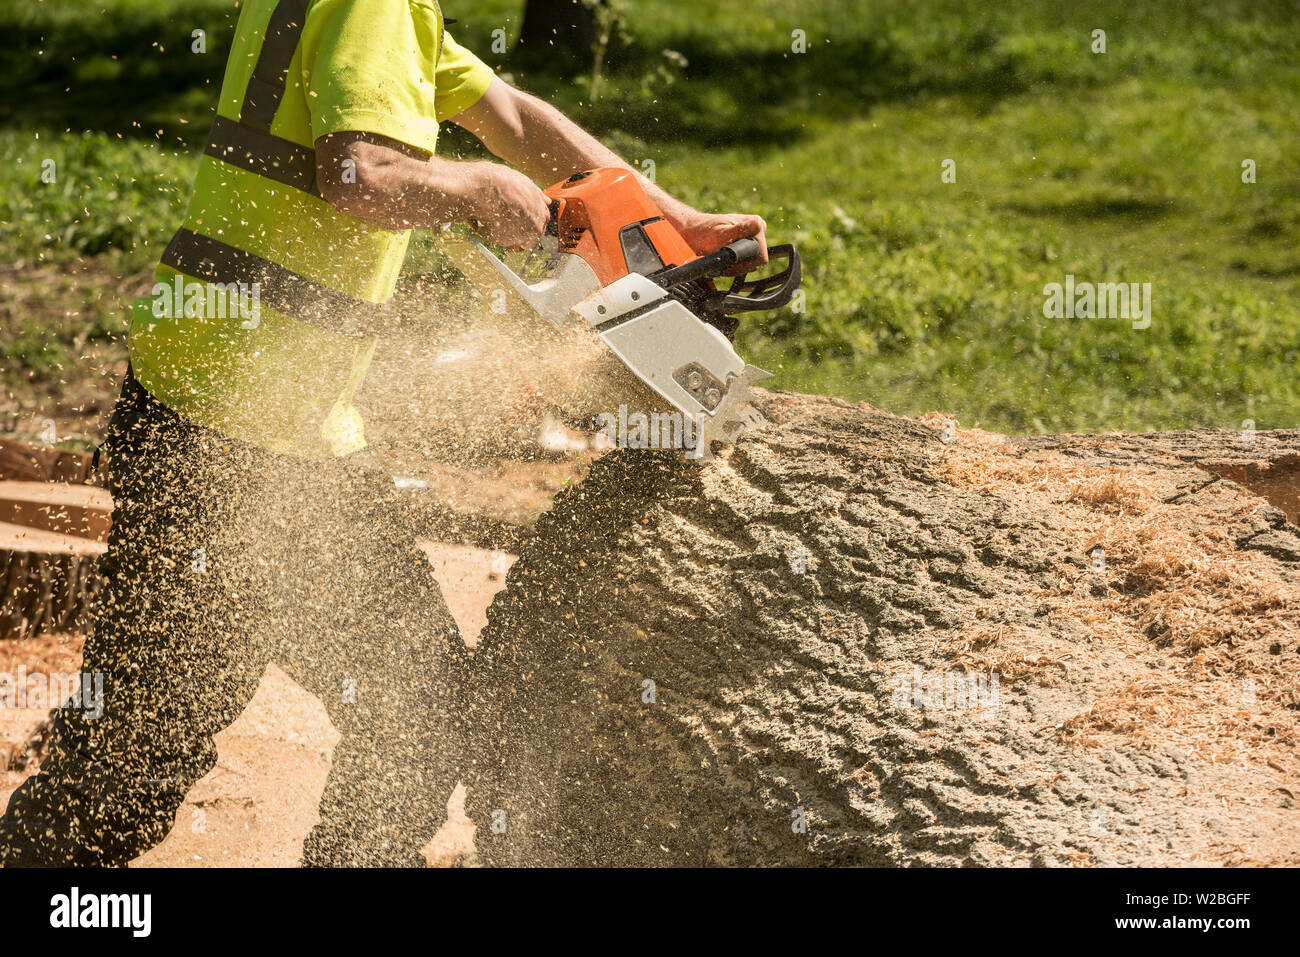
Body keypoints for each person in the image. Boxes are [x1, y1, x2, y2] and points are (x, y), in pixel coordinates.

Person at [0, 0, 766, 866]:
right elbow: (360, 174)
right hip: (243, 451)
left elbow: (510, 113)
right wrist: (472, 189)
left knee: (132, 761)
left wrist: (673, 218)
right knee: (411, 720)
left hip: (236, 423)